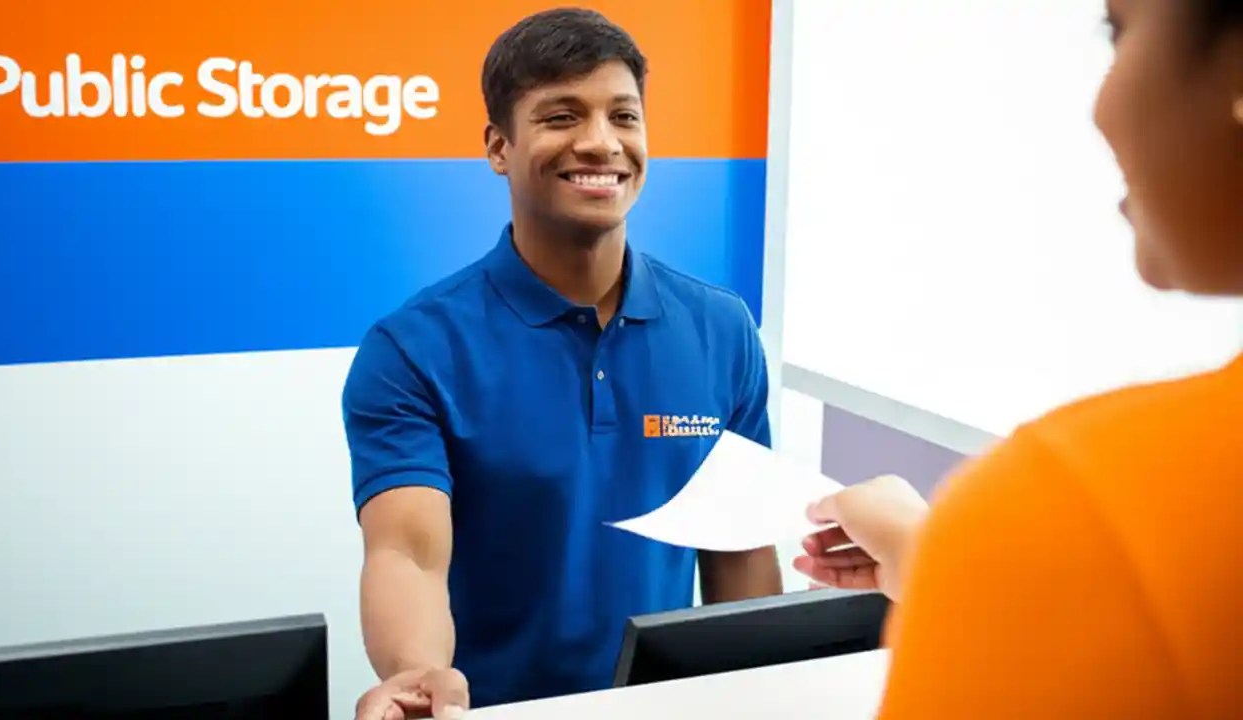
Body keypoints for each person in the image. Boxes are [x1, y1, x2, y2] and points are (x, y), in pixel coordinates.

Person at [794, 0, 1243, 716]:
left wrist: (993, 563)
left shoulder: (1069, 510)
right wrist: (949, 560)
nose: (1100, 109)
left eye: (1117, 31)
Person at [342, 8, 781, 719]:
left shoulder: (721, 328)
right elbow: (409, 555)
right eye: (560, 117)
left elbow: (740, 558)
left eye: (623, 116)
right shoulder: (413, 349)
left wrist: (771, 689)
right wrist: (422, 678)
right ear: (498, 147)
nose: (601, 143)